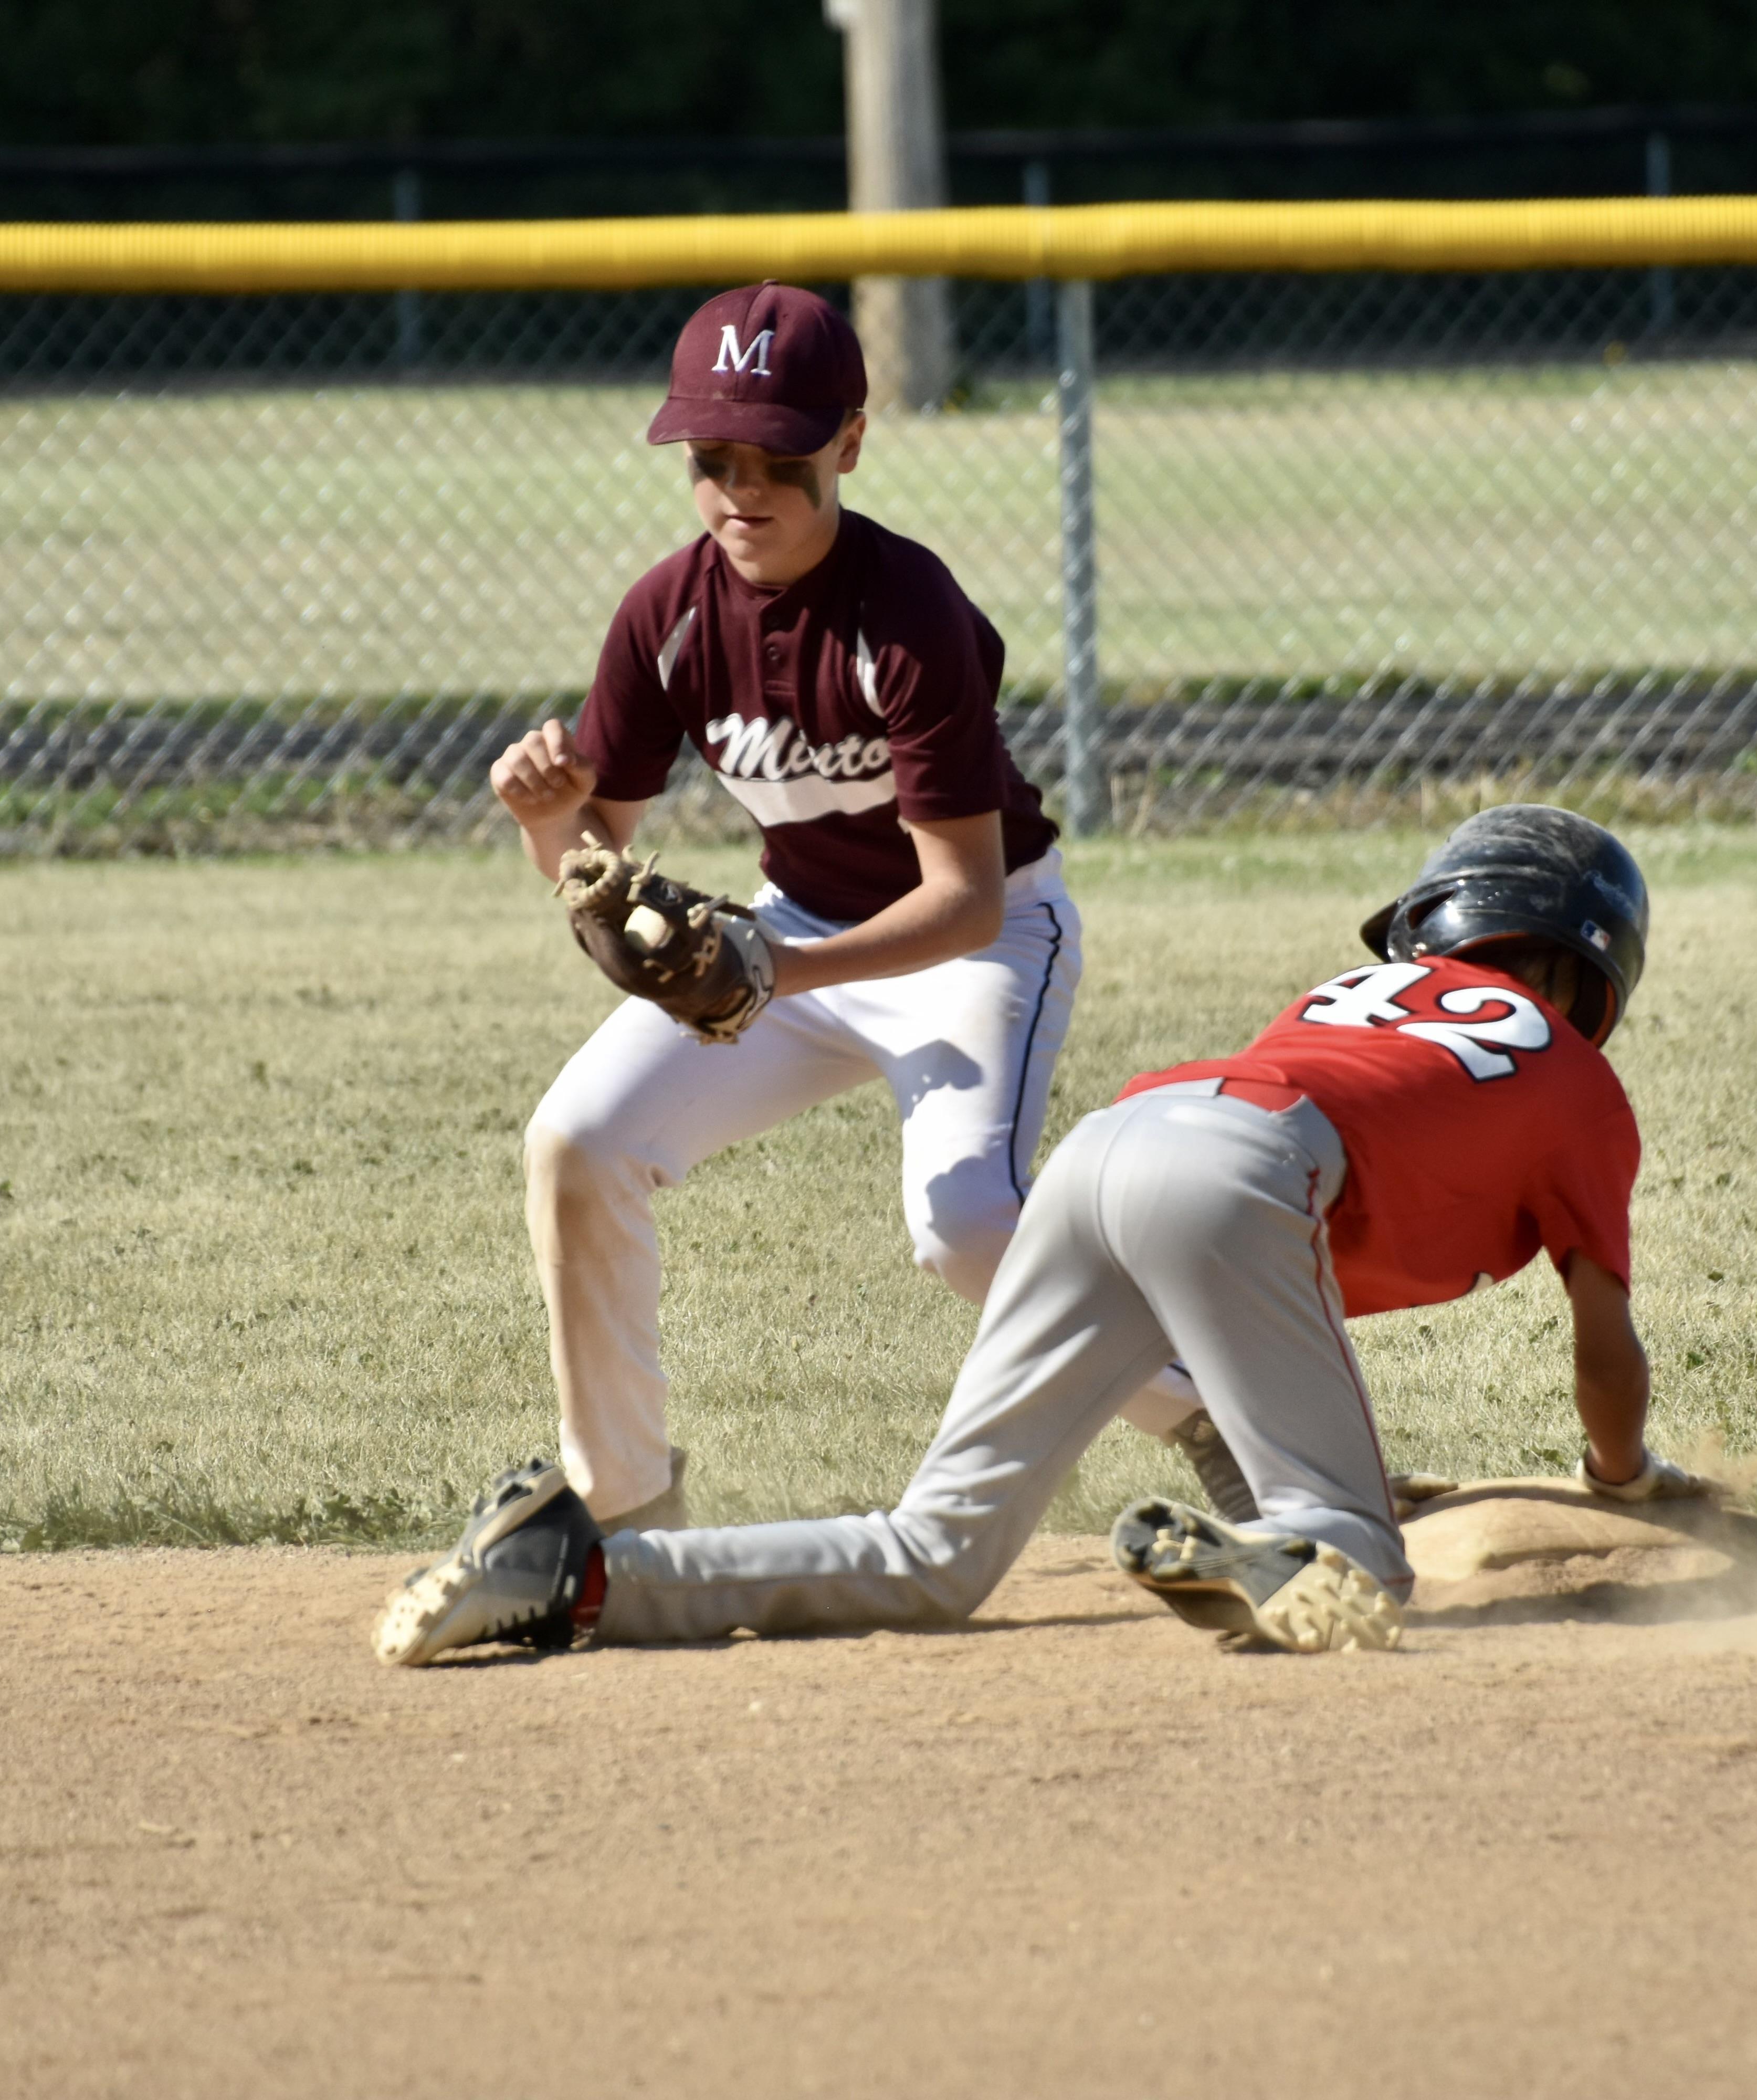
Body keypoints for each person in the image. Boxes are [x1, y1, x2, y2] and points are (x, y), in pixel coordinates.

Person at [376, 804, 1709, 1664]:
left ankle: (574, 1569)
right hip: (1238, 1174)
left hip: (1113, 1147)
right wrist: (1627, 1477)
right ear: (1599, 972)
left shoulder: (1357, 988)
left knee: (933, 1553)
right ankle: (1294, 1542)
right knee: (1363, 1561)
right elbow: (1605, 1343)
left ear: (1432, 926)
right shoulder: (1578, 1079)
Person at [487, 280, 1223, 1537]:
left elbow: (964, 898)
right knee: (576, 1144)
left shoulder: (908, 611)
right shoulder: (668, 617)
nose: (740, 488)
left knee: (969, 1226)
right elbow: (597, 872)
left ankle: (1222, 1416)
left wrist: (767, 965)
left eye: (777, 454)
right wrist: (547, 819)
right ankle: (627, 1497)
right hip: (798, 932)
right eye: (711, 458)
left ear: (850, 442)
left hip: (977, 946)